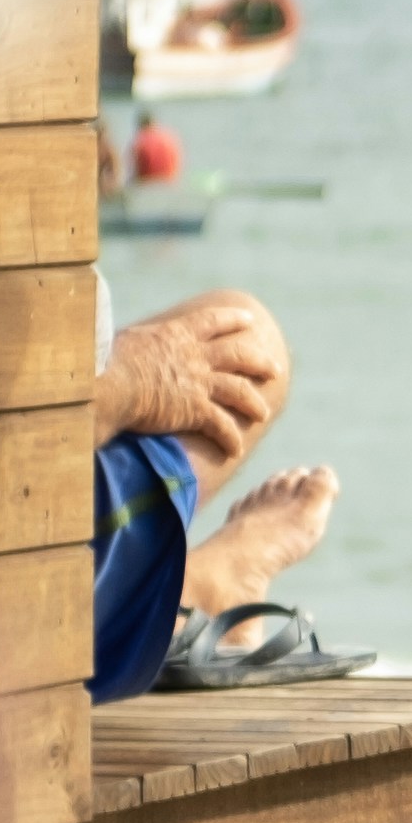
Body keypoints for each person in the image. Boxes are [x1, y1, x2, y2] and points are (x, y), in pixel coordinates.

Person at [90, 286, 338, 698]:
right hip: (13, 579)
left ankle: (170, 592)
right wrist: (127, 381)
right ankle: (182, 596)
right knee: (250, 338)